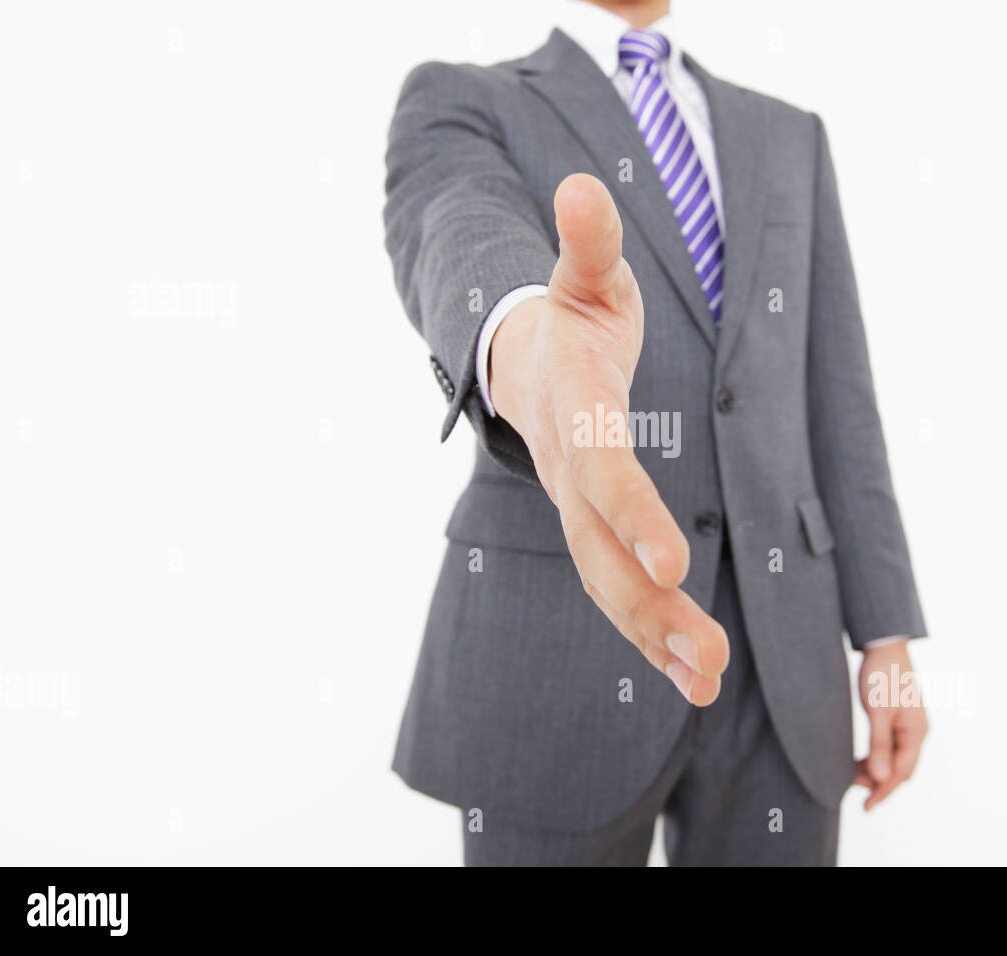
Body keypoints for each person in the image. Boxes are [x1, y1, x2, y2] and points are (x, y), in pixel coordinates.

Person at [383, 0, 929, 865]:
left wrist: (887, 638)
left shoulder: (790, 135)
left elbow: (841, 400)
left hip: (783, 657)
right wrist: (527, 344)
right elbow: (459, 227)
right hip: (556, 647)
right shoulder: (467, 100)